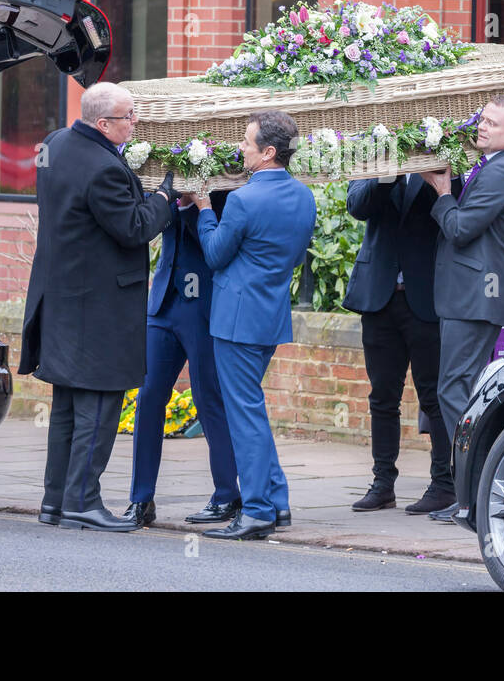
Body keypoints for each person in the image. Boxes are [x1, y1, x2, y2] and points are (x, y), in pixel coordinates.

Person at [20, 82, 176, 533]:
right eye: (129, 117)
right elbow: (134, 227)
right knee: (100, 407)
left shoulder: (56, 144)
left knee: (68, 406)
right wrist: (164, 197)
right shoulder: (102, 169)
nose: (136, 123)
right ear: (103, 123)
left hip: (63, 298)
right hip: (99, 307)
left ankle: (56, 502)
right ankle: (83, 502)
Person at [194, 110, 316, 541]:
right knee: (252, 409)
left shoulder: (244, 200)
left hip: (236, 320)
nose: (241, 148)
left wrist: (205, 208)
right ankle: (277, 502)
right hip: (270, 316)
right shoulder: (305, 197)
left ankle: (259, 510)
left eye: (247, 142)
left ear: (267, 152)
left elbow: (214, 254)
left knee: (243, 415)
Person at [420, 95, 504, 523]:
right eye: (482, 119)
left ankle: (472, 491)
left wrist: (444, 192)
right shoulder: (496, 165)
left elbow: (461, 229)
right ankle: (473, 491)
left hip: (474, 296)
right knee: (460, 386)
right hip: (470, 293)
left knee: (455, 389)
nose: (481, 127)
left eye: (491, 122)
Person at [342, 170, 461, 515]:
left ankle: (444, 484)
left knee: (434, 396)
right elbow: (357, 206)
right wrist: (387, 173)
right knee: (382, 396)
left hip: (426, 297)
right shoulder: (375, 158)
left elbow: (453, 204)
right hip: (379, 296)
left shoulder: (441, 155)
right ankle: (383, 484)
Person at [123, 189, 240, 529]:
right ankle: (141, 499)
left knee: (209, 401)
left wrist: (192, 205)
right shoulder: (168, 178)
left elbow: (214, 246)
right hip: (163, 304)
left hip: (201, 306)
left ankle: (226, 496)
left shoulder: (224, 188)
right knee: (147, 398)